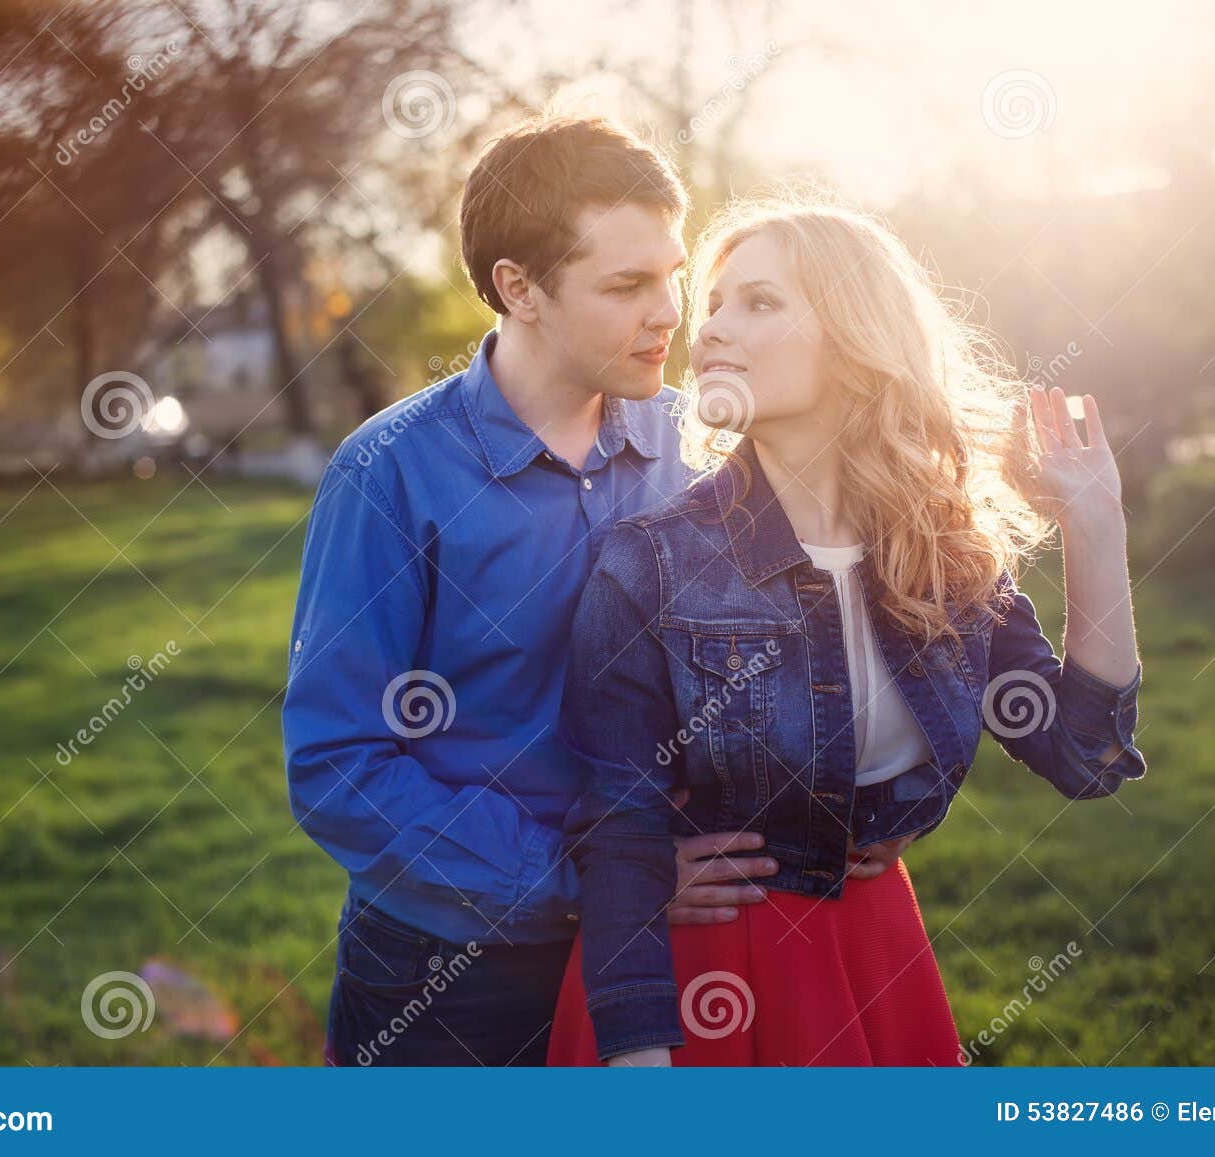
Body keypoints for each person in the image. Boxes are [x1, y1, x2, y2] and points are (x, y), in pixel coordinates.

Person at [546, 195, 1148, 1066]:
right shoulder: (651, 561)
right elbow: (619, 826)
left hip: (871, 954)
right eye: (712, 305)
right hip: (691, 978)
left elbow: (1085, 756)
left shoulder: (942, 552)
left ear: (856, 338)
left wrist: (1097, 524)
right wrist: (641, 1062)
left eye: (757, 302)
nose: (709, 329)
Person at [281, 117, 785, 1066]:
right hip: (452, 976)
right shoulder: (388, 474)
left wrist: (850, 811)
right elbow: (340, 766)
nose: (671, 312)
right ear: (520, 288)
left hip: (667, 953)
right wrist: (596, 880)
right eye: (627, 284)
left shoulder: (703, 449)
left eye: (672, 273)